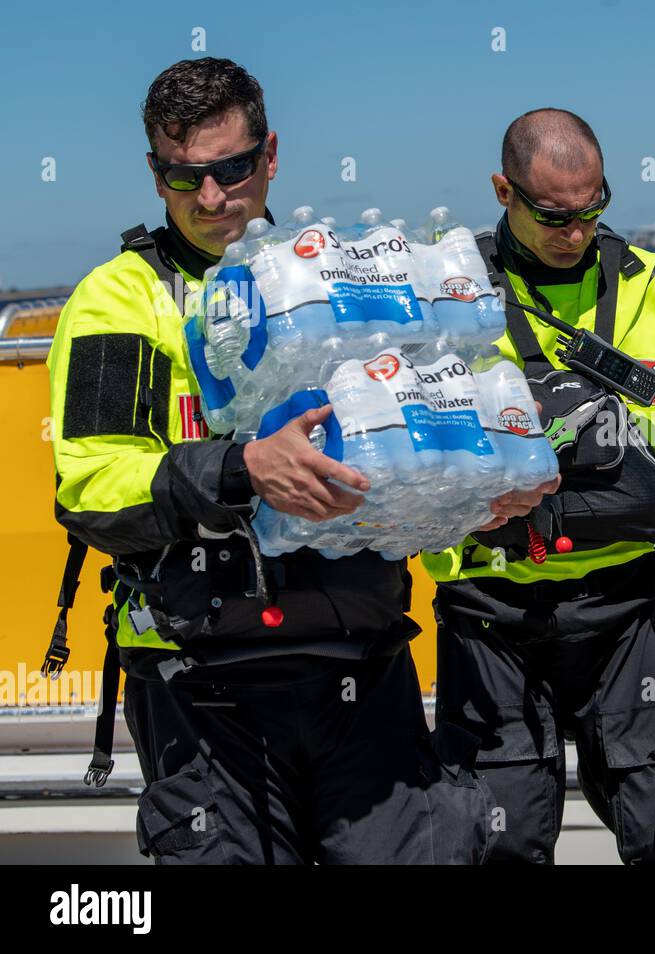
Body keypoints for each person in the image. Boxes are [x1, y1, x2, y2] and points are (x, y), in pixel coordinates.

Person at [47, 57, 546, 864]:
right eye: (183, 177)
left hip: (365, 668)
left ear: (271, 155)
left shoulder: (353, 283)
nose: (212, 197)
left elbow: (426, 452)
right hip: (202, 685)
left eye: (233, 168)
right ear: (155, 173)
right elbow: (92, 492)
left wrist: (484, 500)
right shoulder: (121, 300)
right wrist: (241, 469)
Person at [423, 108, 655, 864]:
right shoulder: (444, 295)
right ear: (503, 191)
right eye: (555, 215)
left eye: (593, 209)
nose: (577, 230)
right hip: (491, 608)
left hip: (630, 603)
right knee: (497, 843)